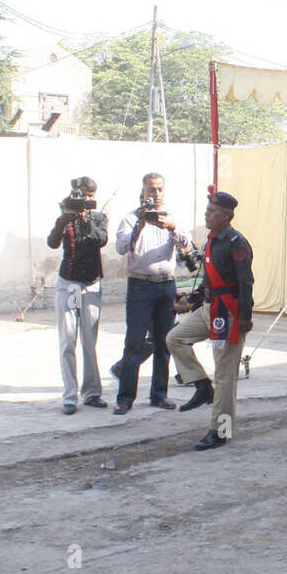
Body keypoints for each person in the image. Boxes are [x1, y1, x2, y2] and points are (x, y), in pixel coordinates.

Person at [167, 188, 254, 451]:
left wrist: (245, 317)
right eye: (207, 209)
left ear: (226, 216)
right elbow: (208, 280)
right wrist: (191, 301)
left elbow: (246, 281)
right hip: (210, 307)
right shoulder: (213, 240)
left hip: (229, 312)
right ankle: (202, 386)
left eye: (212, 211)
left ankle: (221, 431)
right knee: (175, 339)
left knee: (226, 377)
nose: (206, 214)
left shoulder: (235, 242)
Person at [112, 172, 194, 414]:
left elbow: (186, 245)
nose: (155, 194)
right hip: (140, 285)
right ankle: (125, 398)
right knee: (134, 341)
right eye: (151, 190)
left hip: (166, 284)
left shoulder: (172, 217)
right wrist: (140, 223)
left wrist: (172, 228)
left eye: (159, 189)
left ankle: (159, 394)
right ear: (142, 192)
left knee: (163, 342)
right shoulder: (130, 218)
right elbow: (121, 247)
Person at [48, 176, 109, 414]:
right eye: (84, 195)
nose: (88, 200)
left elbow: (100, 240)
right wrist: (64, 219)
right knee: (67, 341)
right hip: (69, 283)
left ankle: (92, 393)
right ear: (76, 193)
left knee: (89, 342)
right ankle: (70, 396)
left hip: (90, 283)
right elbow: (52, 242)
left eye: (92, 196)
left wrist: (87, 222)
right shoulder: (66, 215)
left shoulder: (99, 217)